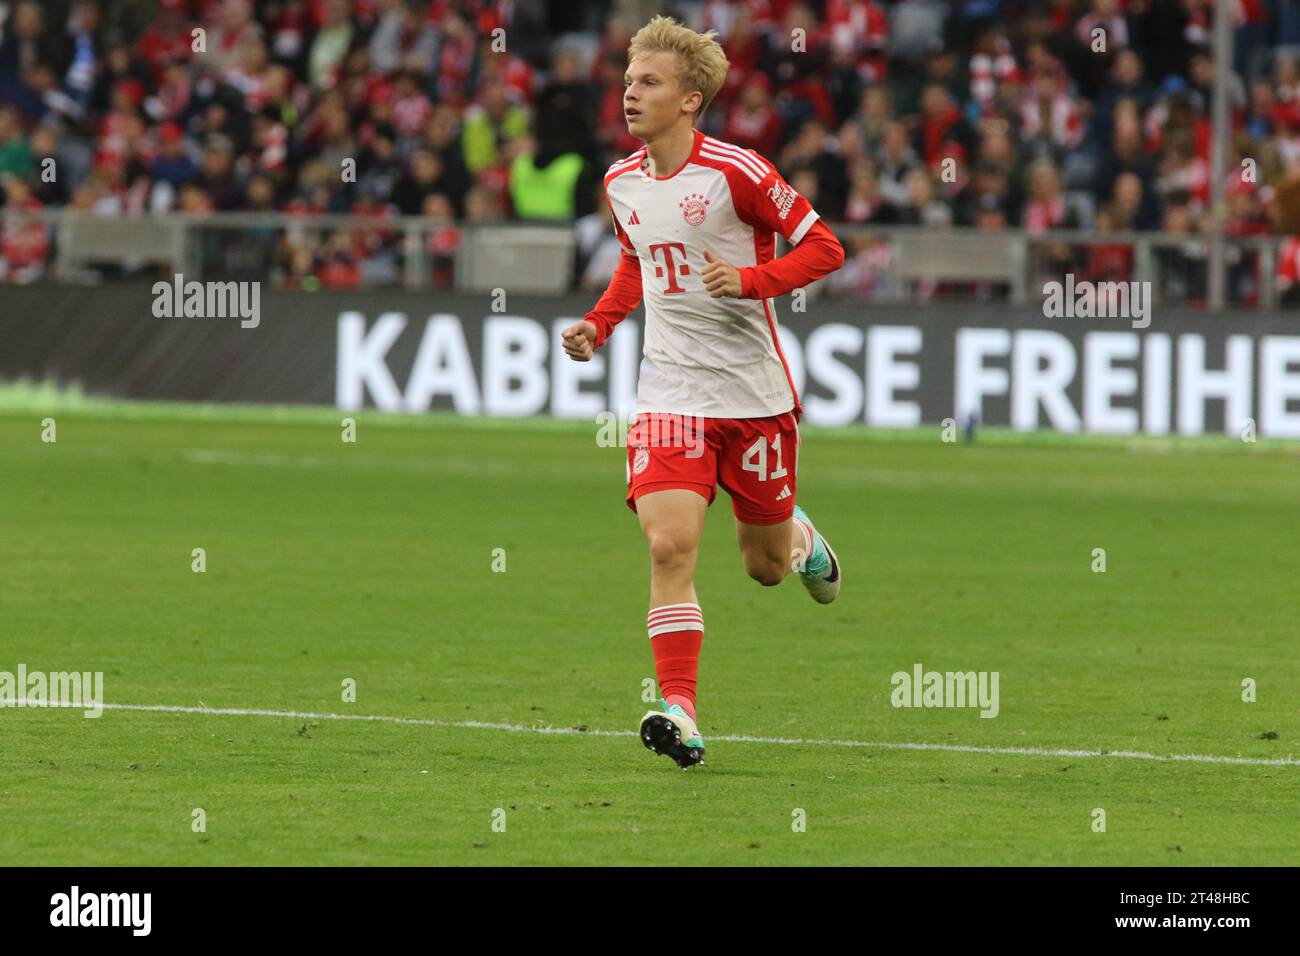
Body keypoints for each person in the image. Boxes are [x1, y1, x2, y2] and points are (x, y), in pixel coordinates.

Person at [559, 16, 846, 770]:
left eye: (648, 83)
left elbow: (825, 247)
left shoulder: (739, 172)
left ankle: (800, 539)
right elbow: (637, 267)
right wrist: (599, 324)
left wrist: (754, 280)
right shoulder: (622, 183)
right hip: (668, 395)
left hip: (753, 401)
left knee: (764, 567)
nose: (630, 95)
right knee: (668, 545)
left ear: (690, 100)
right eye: (627, 83)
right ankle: (679, 713)